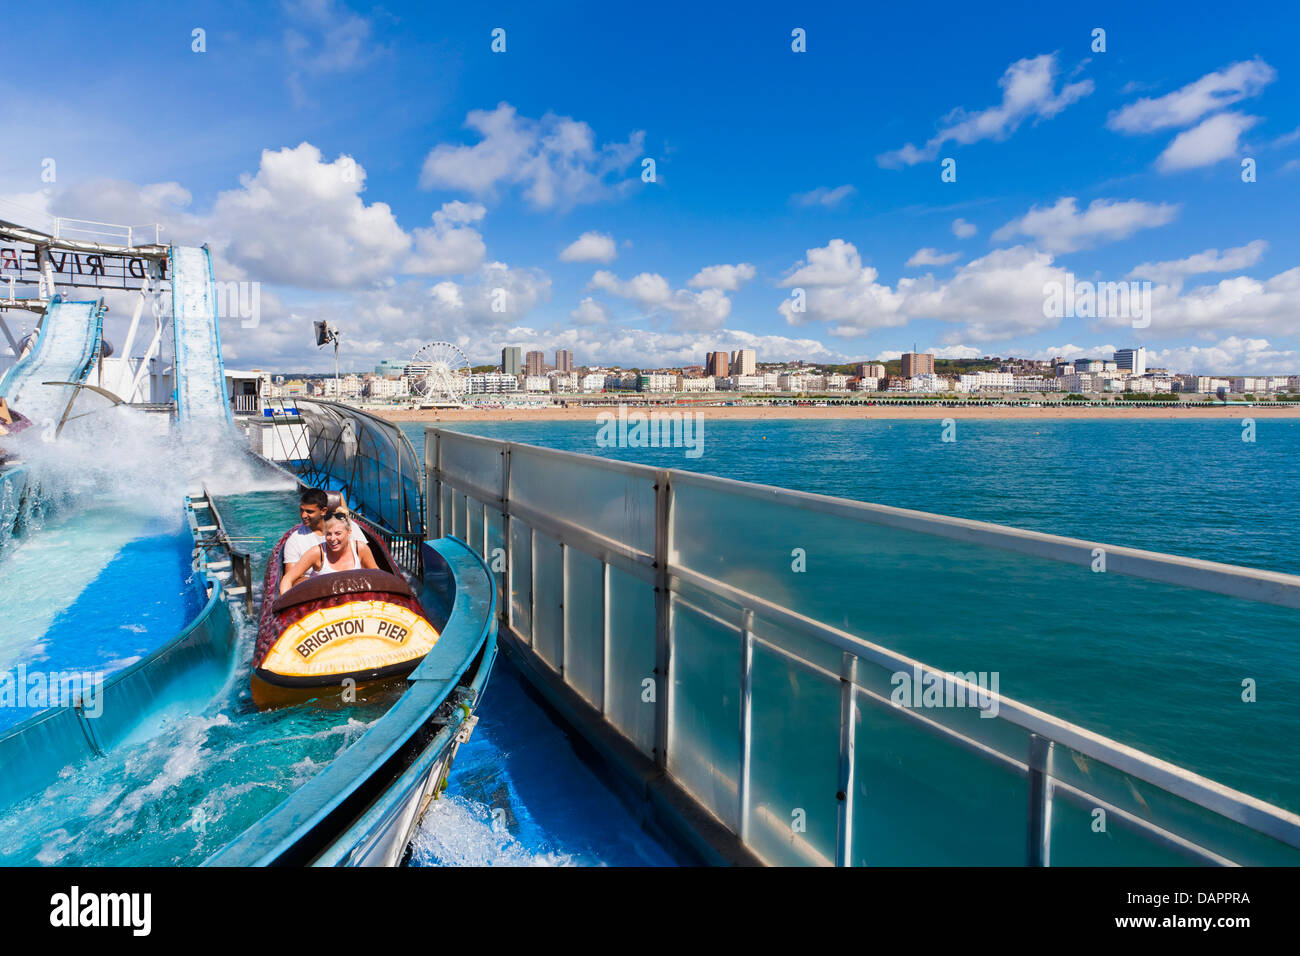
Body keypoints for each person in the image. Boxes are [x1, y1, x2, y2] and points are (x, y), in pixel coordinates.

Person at [281, 512, 378, 593]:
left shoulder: (360, 548)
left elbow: (378, 576)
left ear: (349, 532)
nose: (332, 539)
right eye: (328, 534)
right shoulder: (317, 553)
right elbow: (287, 579)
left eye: (338, 533)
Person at [282, 488, 330, 573]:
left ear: (323, 511)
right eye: (301, 510)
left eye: (309, 511)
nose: (303, 515)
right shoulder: (295, 540)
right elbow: (291, 579)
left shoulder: (347, 529)